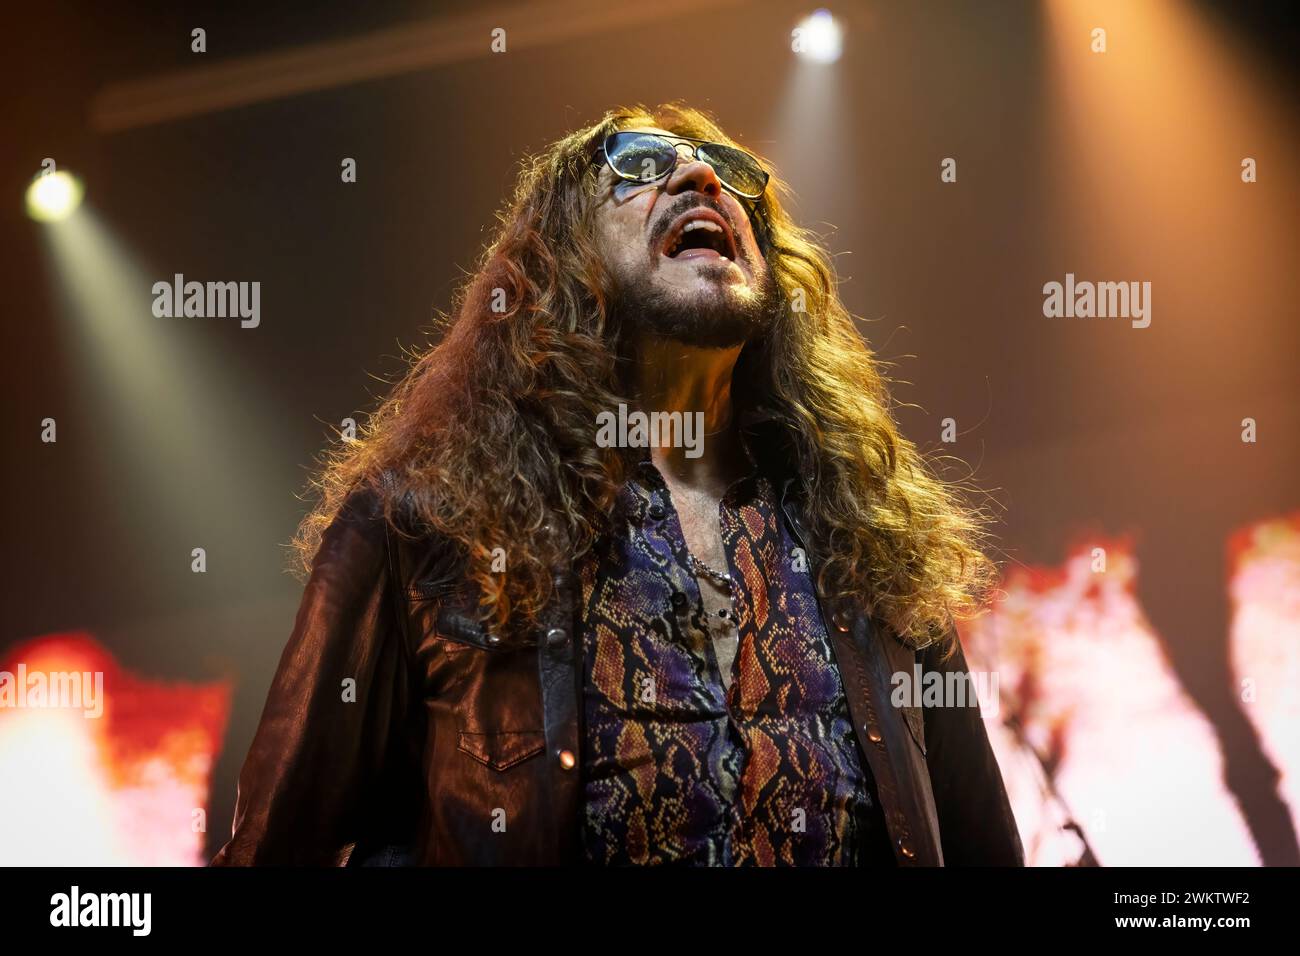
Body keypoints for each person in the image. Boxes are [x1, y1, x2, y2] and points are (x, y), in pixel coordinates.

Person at [211, 102, 1023, 867]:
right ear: (563, 258)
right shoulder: (424, 526)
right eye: (637, 164)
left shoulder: (871, 543)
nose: (703, 179)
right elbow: (277, 850)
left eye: (728, 170)